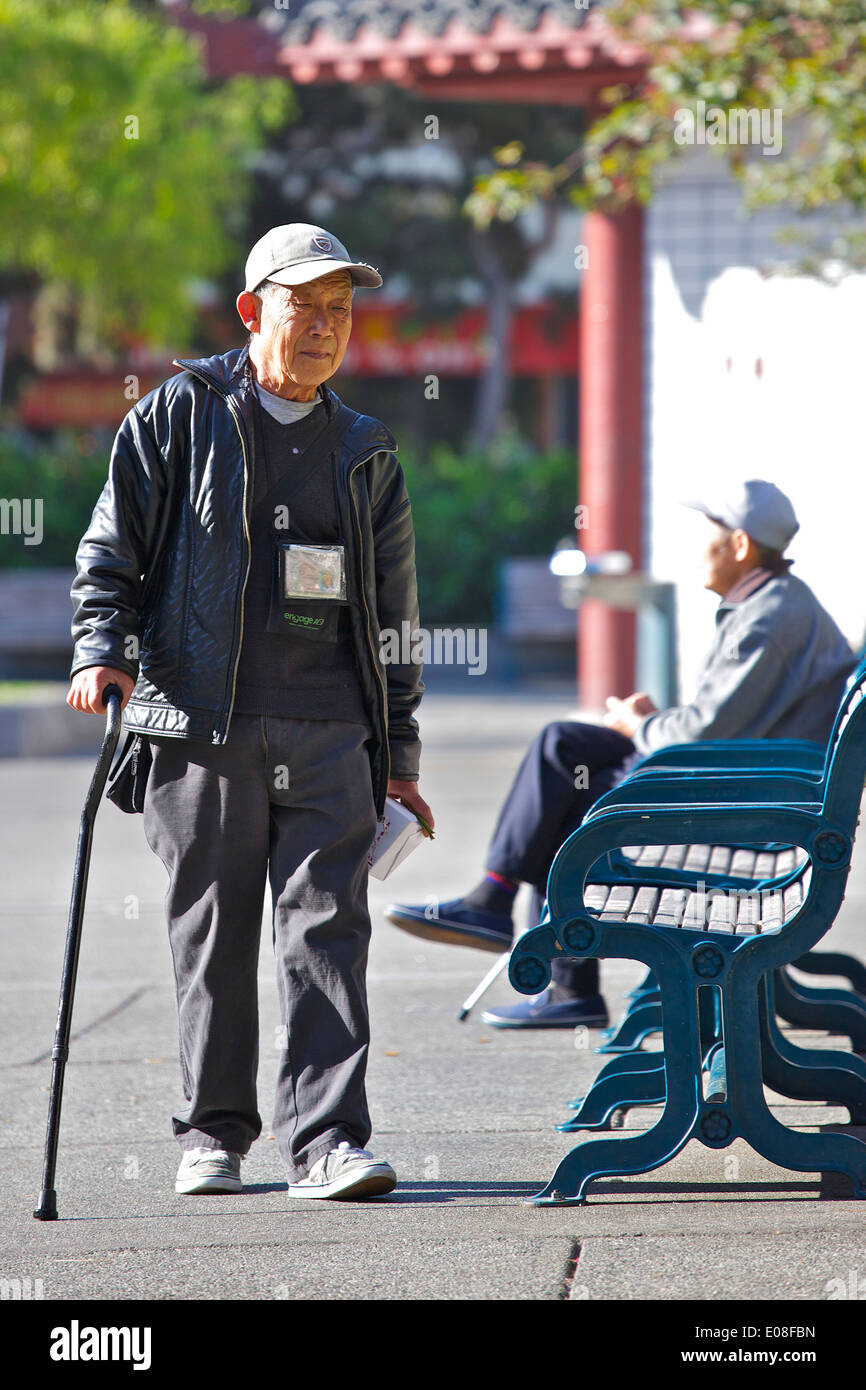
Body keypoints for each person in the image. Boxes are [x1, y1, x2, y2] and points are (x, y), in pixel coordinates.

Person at [67, 223, 432, 1199]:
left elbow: (392, 612)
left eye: (339, 311)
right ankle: (213, 1133)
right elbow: (112, 553)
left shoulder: (363, 448)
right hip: (198, 719)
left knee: (327, 932)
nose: (322, 327)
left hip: (328, 729)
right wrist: (100, 651)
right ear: (250, 309)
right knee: (211, 933)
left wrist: (397, 755)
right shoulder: (175, 415)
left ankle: (326, 1144)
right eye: (302, 306)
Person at [386, 480, 855, 1029]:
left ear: (742, 546)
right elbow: (719, 722)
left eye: (710, 532)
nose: (698, 545)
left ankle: (525, 939)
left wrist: (641, 722)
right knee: (565, 747)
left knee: (569, 790)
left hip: (742, 797)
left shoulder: (769, 618)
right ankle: (508, 921)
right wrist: (651, 721)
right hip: (742, 780)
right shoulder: (769, 604)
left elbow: (699, 736)